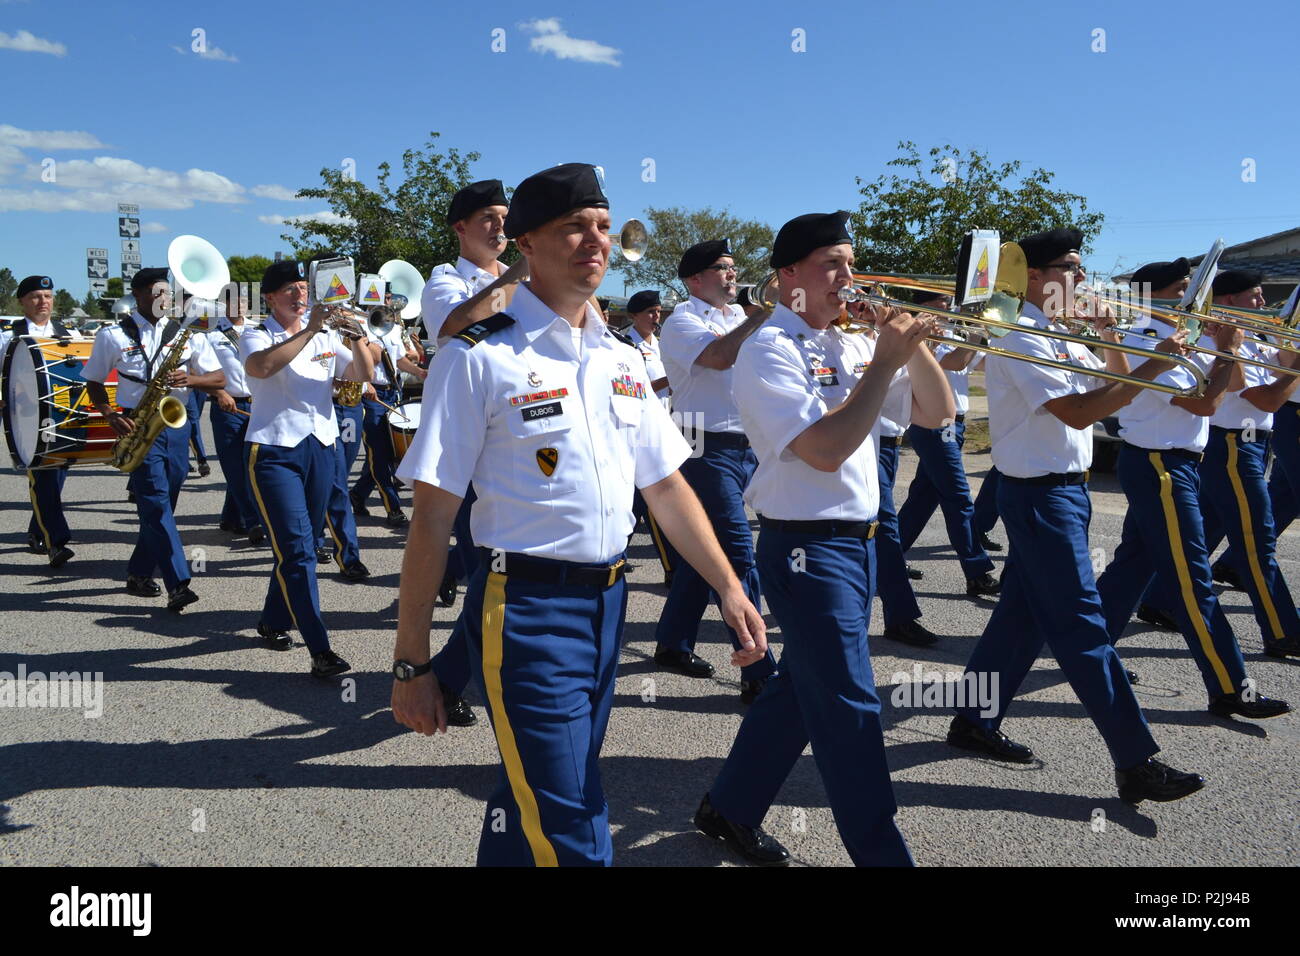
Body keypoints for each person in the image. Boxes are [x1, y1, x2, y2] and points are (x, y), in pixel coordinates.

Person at [390, 163, 766, 866]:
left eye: (603, 226)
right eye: (574, 227)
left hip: (609, 605)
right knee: (574, 822)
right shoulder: (478, 357)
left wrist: (728, 585)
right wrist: (412, 663)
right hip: (526, 611)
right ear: (526, 243)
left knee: (533, 795)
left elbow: (666, 487)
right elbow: (432, 520)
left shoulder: (620, 358)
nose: (596, 241)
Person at [695, 211, 952, 867]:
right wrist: (884, 363)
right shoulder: (768, 349)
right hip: (807, 549)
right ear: (788, 274)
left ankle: (730, 806)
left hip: (859, 543)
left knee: (800, 690)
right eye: (832, 263)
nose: (847, 277)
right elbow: (825, 450)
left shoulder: (853, 343)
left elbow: (938, 412)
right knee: (851, 708)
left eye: (850, 263)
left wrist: (912, 343)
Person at [950, 226, 1207, 804]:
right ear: (1033, 277)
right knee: (1083, 626)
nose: (1083, 277)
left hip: (1067, 492)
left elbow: (1114, 384)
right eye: (1070, 267)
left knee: (1021, 617)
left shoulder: (1060, 336)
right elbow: (1078, 412)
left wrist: (1111, 335)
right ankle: (1136, 760)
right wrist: (1155, 365)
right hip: (1040, 496)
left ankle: (972, 718)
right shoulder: (1019, 335)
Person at [1094, 256, 1292, 718]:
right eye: (1182, 289)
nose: (1192, 297)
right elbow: (1205, 405)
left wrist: (1225, 347)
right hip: (1160, 464)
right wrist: (1222, 352)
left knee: (1133, 565)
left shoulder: (1180, 337)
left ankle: (1087, 649)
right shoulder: (1147, 339)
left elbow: (1231, 383)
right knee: (1193, 578)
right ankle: (1231, 686)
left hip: (1176, 462)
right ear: (1155, 297)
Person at [655, 239, 777, 701]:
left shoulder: (738, 316)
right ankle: (758, 670)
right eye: (722, 268)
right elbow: (719, 357)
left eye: (733, 267)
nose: (732, 274)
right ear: (694, 280)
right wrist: (763, 314)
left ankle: (672, 643)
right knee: (738, 553)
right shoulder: (681, 321)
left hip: (747, 445)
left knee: (699, 554)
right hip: (703, 449)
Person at [240, 259, 375, 676]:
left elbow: (363, 375)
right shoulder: (257, 334)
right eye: (289, 290)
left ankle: (273, 620)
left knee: (297, 546)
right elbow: (261, 367)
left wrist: (357, 338)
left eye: (302, 288)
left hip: (321, 447)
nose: (299, 295)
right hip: (274, 450)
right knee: (300, 551)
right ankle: (320, 649)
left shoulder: (326, 335)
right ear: (269, 298)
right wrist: (311, 329)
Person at [84, 268, 225, 611]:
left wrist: (192, 380)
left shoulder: (186, 333)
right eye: (158, 292)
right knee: (157, 504)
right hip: (135, 422)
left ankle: (138, 572)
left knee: (162, 505)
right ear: (138, 295)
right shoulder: (112, 335)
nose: (166, 298)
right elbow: (94, 381)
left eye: (168, 293)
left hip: (175, 425)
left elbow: (219, 378)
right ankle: (178, 583)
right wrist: (110, 414)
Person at [1191, 270, 1300, 658]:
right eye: (1255, 296)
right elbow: (1266, 399)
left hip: (1251, 443)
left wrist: (1288, 344)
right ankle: (1283, 631)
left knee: (1208, 527)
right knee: (1257, 541)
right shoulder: (1219, 340)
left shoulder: (1250, 336)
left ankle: (1160, 600)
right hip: (1233, 445)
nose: (1263, 303)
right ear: (1230, 300)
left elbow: (1282, 365)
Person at [897, 290, 1001, 593]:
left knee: (922, 499)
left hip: (955, 425)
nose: (949, 309)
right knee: (958, 498)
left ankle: (887, 558)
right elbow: (955, 362)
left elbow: (982, 364)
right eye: (941, 304)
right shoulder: (922, 338)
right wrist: (976, 333)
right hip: (935, 426)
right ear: (922, 307)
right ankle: (976, 571)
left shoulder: (953, 334)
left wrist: (998, 337)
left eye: (948, 304)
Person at [0, 275, 81, 567]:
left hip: (62, 415)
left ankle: (38, 531)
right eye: (35, 296)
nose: (42, 302)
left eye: (47, 296)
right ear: (22, 301)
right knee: (44, 476)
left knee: (56, 476)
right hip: (26, 418)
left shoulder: (69, 333)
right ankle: (56, 542)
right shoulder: (9, 336)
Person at [350, 305, 424, 526]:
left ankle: (358, 494)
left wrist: (419, 372)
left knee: (385, 454)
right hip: (372, 396)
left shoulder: (393, 328)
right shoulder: (361, 328)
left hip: (393, 392)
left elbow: (397, 359)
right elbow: (363, 361)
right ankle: (393, 508)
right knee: (379, 455)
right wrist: (365, 384)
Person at [204, 289, 265, 545]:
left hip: (259, 405)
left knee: (253, 464)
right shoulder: (211, 332)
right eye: (233, 301)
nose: (239, 305)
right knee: (234, 466)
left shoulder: (257, 329)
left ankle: (231, 517)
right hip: (228, 406)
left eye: (243, 300)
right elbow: (199, 369)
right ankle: (253, 521)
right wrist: (219, 393)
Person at [624, 289, 674, 585]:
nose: (656, 317)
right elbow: (637, 390)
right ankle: (672, 569)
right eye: (650, 312)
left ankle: (616, 553)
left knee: (637, 501)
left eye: (658, 311)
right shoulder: (626, 345)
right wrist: (672, 379)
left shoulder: (659, 344)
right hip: (638, 431)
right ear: (634, 316)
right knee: (653, 500)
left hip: (663, 424)